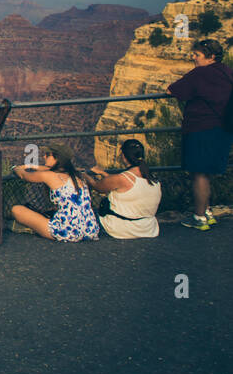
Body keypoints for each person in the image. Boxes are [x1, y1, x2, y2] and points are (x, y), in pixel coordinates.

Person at [167, 38, 232, 230]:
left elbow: (173, 90)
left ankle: (199, 217)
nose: (193, 58)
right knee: (207, 173)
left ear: (210, 56)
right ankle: (207, 211)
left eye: (196, 55)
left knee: (199, 175)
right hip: (223, 130)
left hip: (202, 129)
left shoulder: (200, 74)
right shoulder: (227, 71)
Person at [10, 144, 100, 242]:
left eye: (48, 154)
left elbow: (24, 175)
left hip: (66, 231)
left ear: (57, 158)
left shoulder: (49, 176)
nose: (44, 156)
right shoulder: (79, 175)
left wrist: (15, 168)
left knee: (17, 210)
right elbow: (49, 169)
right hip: (90, 230)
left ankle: (34, 228)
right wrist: (31, 165)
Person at [85, 139, 162, 239]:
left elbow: (97, 186)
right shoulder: (153, 179)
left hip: (122, 229)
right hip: (148, 229)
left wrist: (84, 175)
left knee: (86, 213)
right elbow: (123, 183)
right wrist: (103, 173)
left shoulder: (121, 179)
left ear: (124, 157)